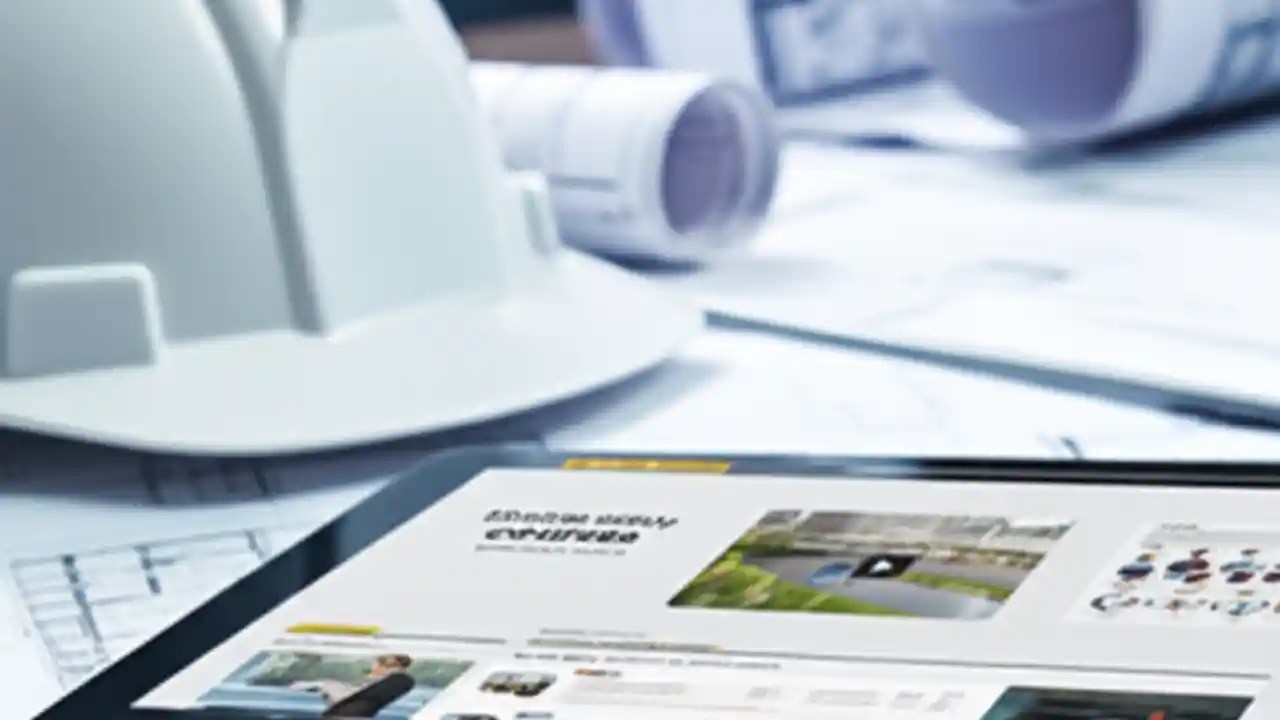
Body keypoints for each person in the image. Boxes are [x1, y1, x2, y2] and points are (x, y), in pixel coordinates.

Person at [290, 655, 416, 719]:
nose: (370, 672)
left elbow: (347, 695)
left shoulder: (398, 681)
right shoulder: (400, 681)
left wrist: (322, 685)